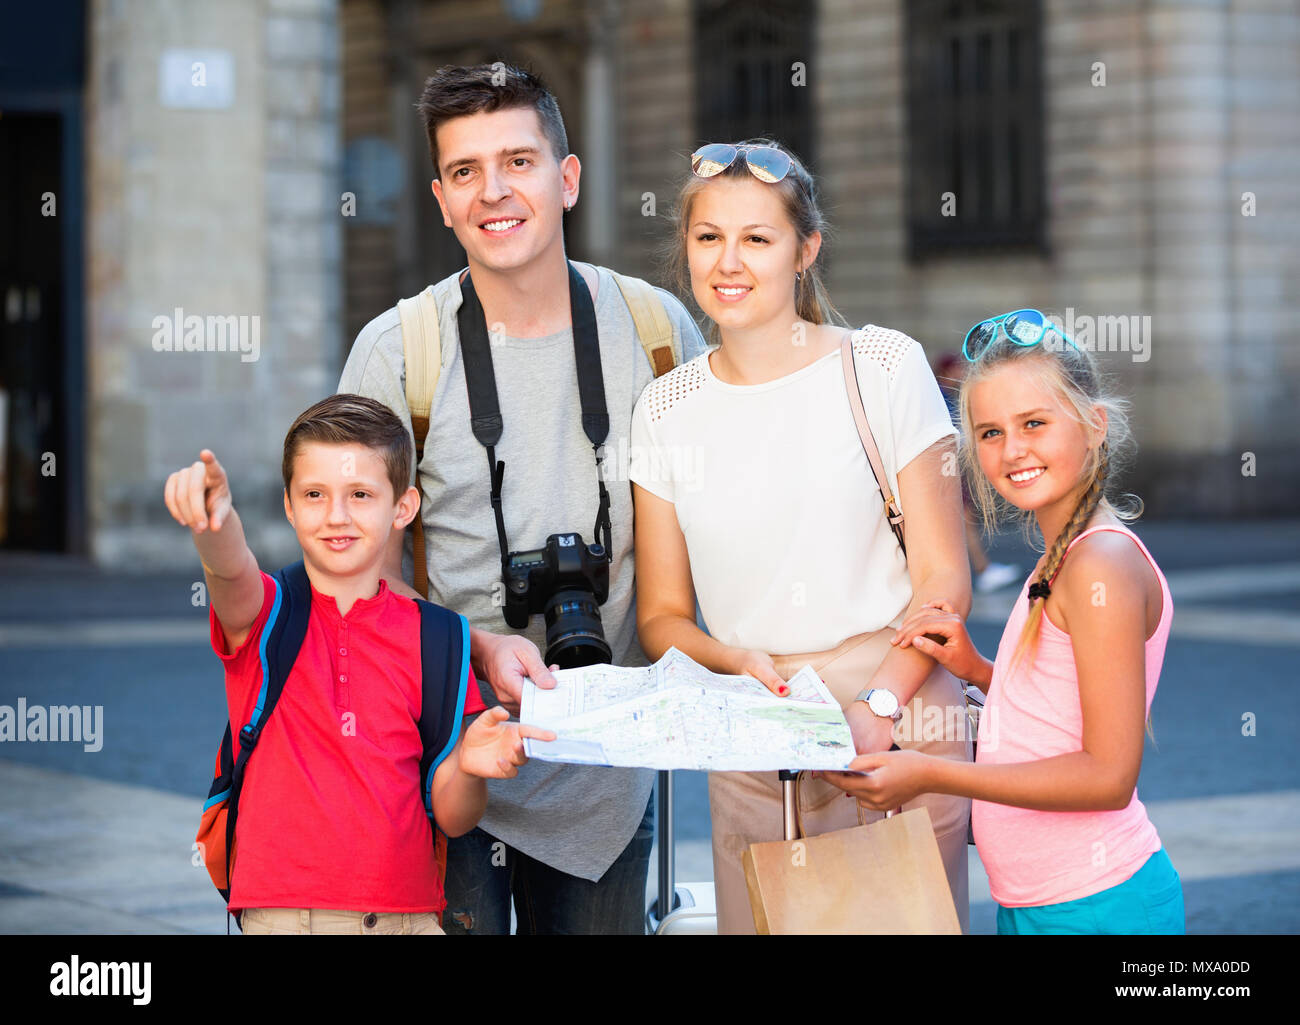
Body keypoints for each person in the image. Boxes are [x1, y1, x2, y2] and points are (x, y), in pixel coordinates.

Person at [338, 63, 707, 934]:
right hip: (446, 767)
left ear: (567, 178)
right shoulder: (398, 353)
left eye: (519, 161)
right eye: (465, 171)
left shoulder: (657, 334)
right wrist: (477, 647)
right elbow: (351, 585)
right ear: (439, 197)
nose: (493, 192)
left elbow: (722, 527)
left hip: (608, 774)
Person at [630, 139, 974, 934]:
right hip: (757, 729)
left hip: (898, 724)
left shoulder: (882, 366)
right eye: (709, 236)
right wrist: (734, 660)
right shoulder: (665, 408)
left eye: (758, 237)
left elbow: (944, 581)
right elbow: (663, 617)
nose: (729, 261)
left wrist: (880, 704)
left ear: (805, 249)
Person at [823, 311, 1185, 934]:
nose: (1012, 450)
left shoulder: (1099, 565)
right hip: (1041, 900)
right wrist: (978, 671)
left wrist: (931, 773)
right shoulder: (1068, 552)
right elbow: (1062, 712)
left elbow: (1108, 776)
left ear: (1094, 425)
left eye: (1034, 424)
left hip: (1096, 905)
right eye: (990, 432)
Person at [163, 394, 553, 934]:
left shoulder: (440, 637)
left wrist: (468, 767)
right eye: (315, 494)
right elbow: (230, 573)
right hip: (284, 918)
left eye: (360, 494)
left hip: (408, 919)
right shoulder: (265, 615)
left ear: (403, 508)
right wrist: (214, 522)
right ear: (289, 506)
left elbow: (454, 817)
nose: (336, 515)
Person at [934, 351, 1020, 593]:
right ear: (946, 372)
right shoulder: (940, 398)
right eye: (956, 369)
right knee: (962, 518)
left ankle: (981, 570)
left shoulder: (946, 396)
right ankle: (982, 570)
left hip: (948, 467)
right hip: (945, 468)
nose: (961, 374)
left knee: (961, 519)